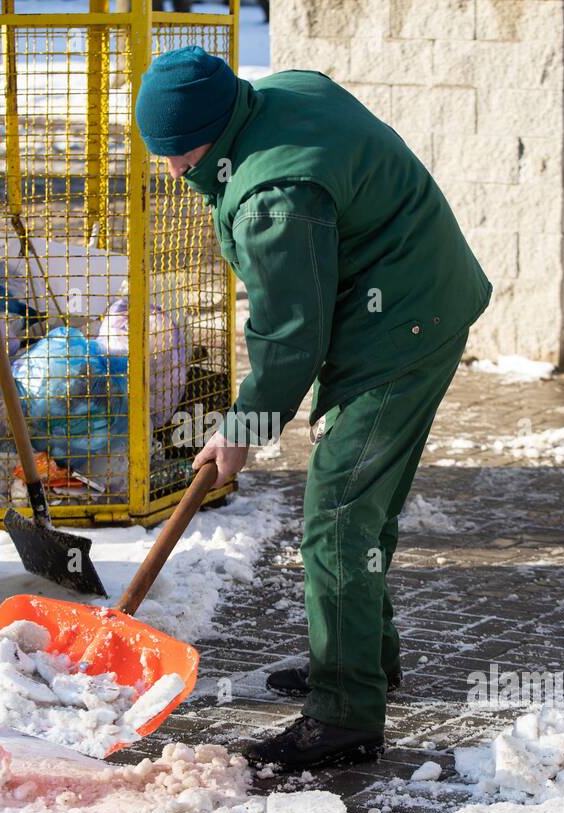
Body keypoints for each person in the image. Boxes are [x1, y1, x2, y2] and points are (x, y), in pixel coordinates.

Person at [135, 46, 492, 772]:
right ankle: (361, 664)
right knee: (359, 508)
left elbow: (290, 336)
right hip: (409, 298)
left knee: (336, 518)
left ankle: (345, 716)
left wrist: (244, 428)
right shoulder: (283, 91)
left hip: (401, 332)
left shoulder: (276, 196)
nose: (174, 170)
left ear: (221, 123)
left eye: (183, 153)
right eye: (161, 154)